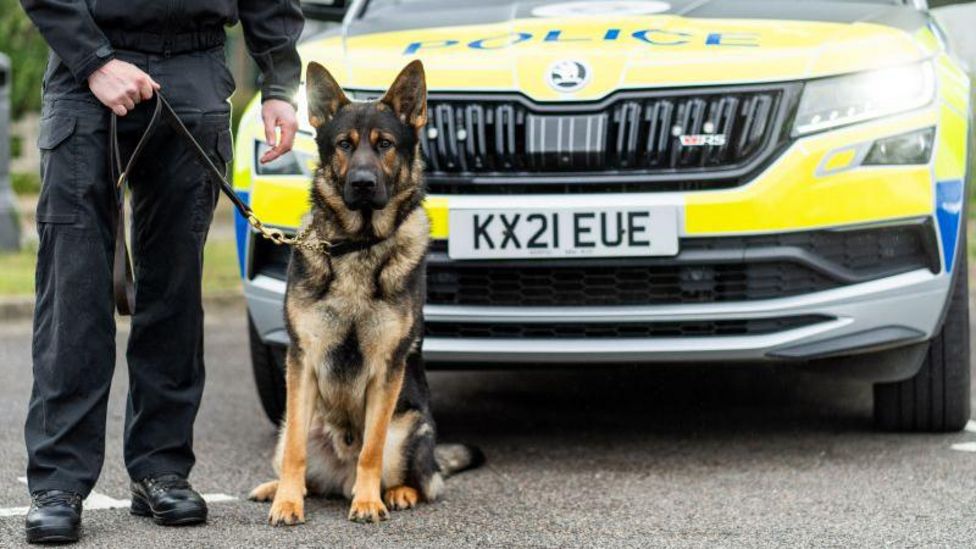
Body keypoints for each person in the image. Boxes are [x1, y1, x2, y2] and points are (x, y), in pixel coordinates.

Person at [18, 0, 304, 544]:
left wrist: (279, 85)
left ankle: (160, 468)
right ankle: (58, 483)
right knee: (74, 293)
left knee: (173, 293)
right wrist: (95, 60)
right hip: (88, 78)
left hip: (194, 71)